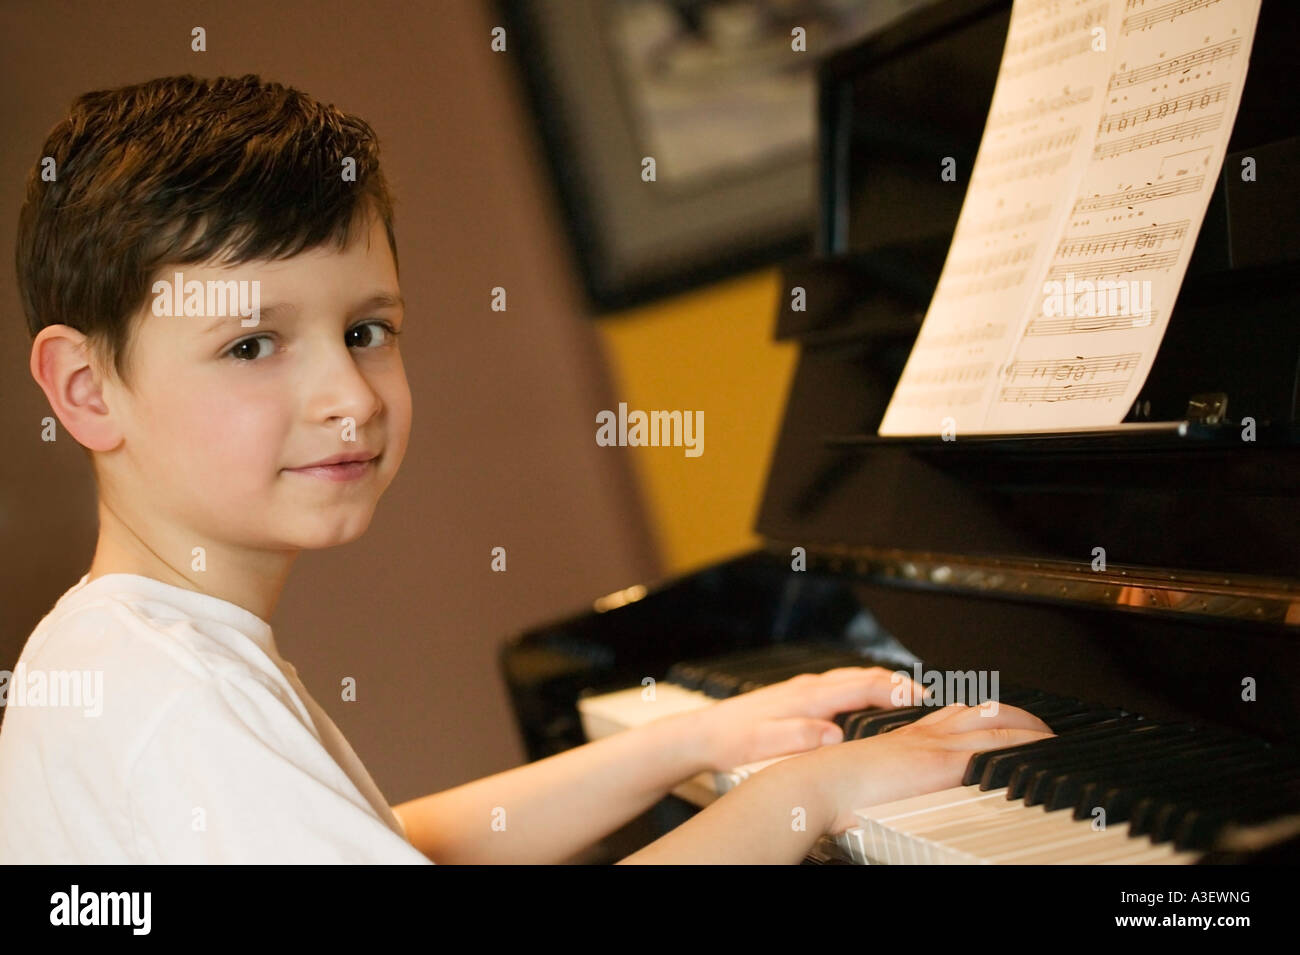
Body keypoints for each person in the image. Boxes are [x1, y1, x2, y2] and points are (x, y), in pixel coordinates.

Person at [0, 74, 1052, 864]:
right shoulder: (164, 698)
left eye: (368, 330)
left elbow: (400, 840)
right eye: (251, 345)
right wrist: (807, 796)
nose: (351, 396)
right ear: (87, 390)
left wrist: (684, 737)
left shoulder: (135, 650)